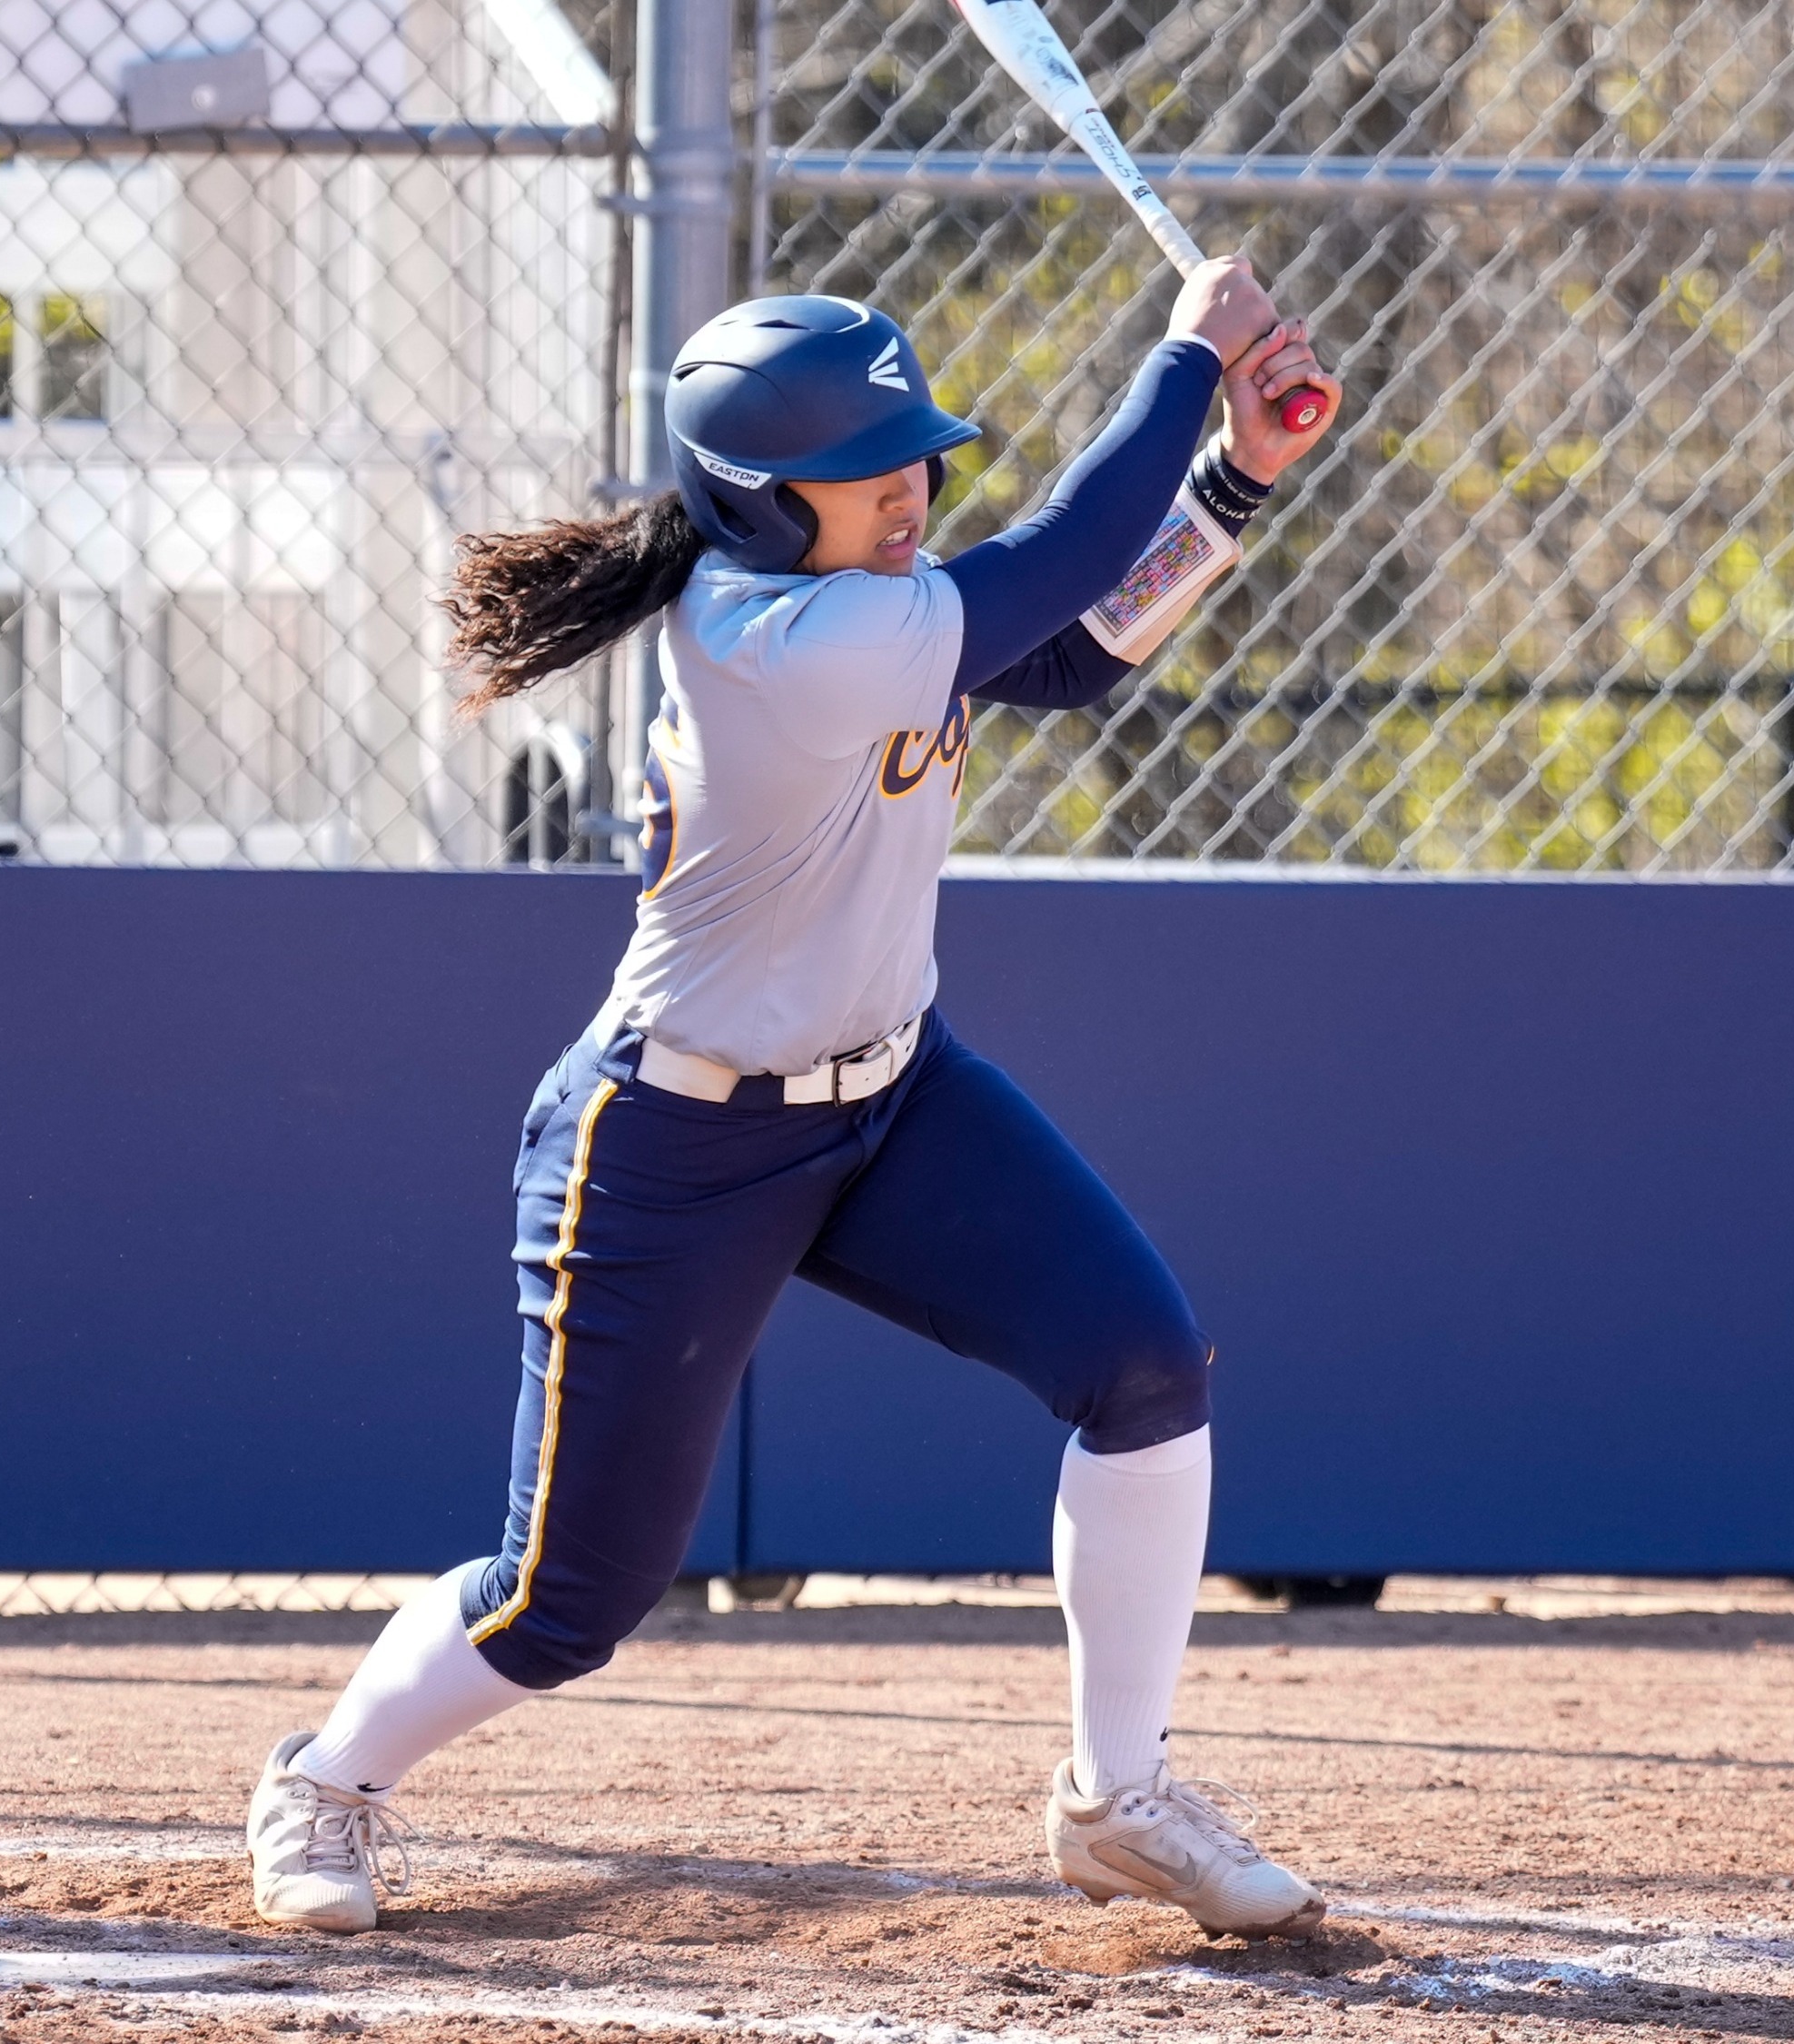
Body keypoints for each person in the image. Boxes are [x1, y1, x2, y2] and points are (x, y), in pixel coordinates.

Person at [243, 265, 1346, 1939]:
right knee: (570, 1601)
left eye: (915, 455)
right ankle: (323, 1779)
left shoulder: (878, 611)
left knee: (1142, 1365)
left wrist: (1237, 476)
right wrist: (1190, 355)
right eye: (871, 465)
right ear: (762, 500)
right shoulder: (770, 638)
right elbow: (1051, 565)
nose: (910, 485)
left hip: (894, 1098)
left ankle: (1118, 1799)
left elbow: (1075, 653)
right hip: (670, 1142)